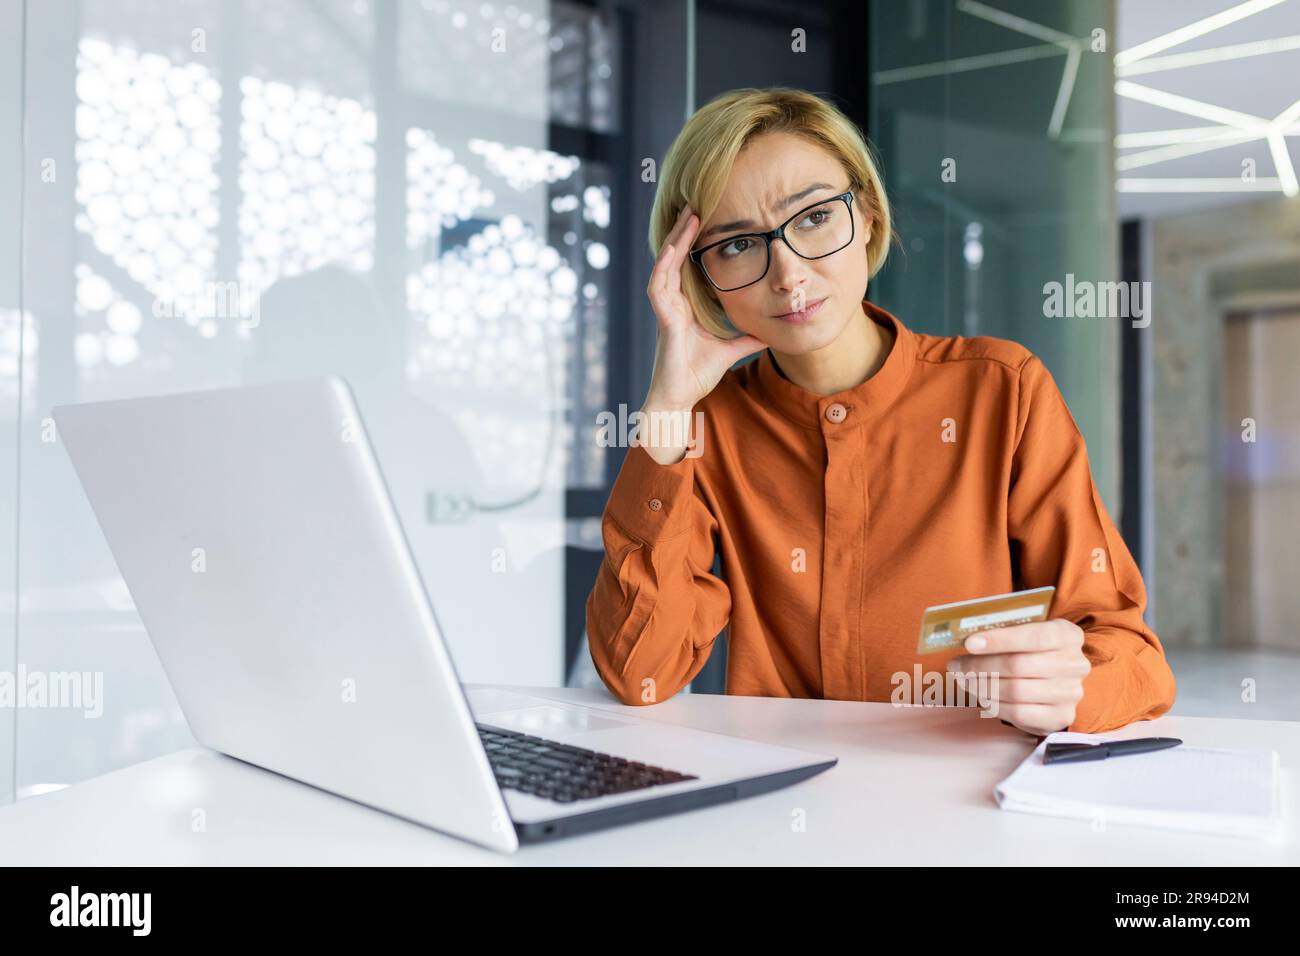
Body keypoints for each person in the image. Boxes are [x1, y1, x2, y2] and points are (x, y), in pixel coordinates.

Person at [585, 87, 1176, 736]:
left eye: (812, 218)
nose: (787, 275)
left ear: (866, 215)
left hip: (966, 802)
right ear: (698, 275)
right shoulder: (705, 427)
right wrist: (667, 406)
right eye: (737, 245)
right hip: (782, 810)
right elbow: (641, 670)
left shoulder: (1002, 392)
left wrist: (1069, 690)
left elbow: (1134, 659)